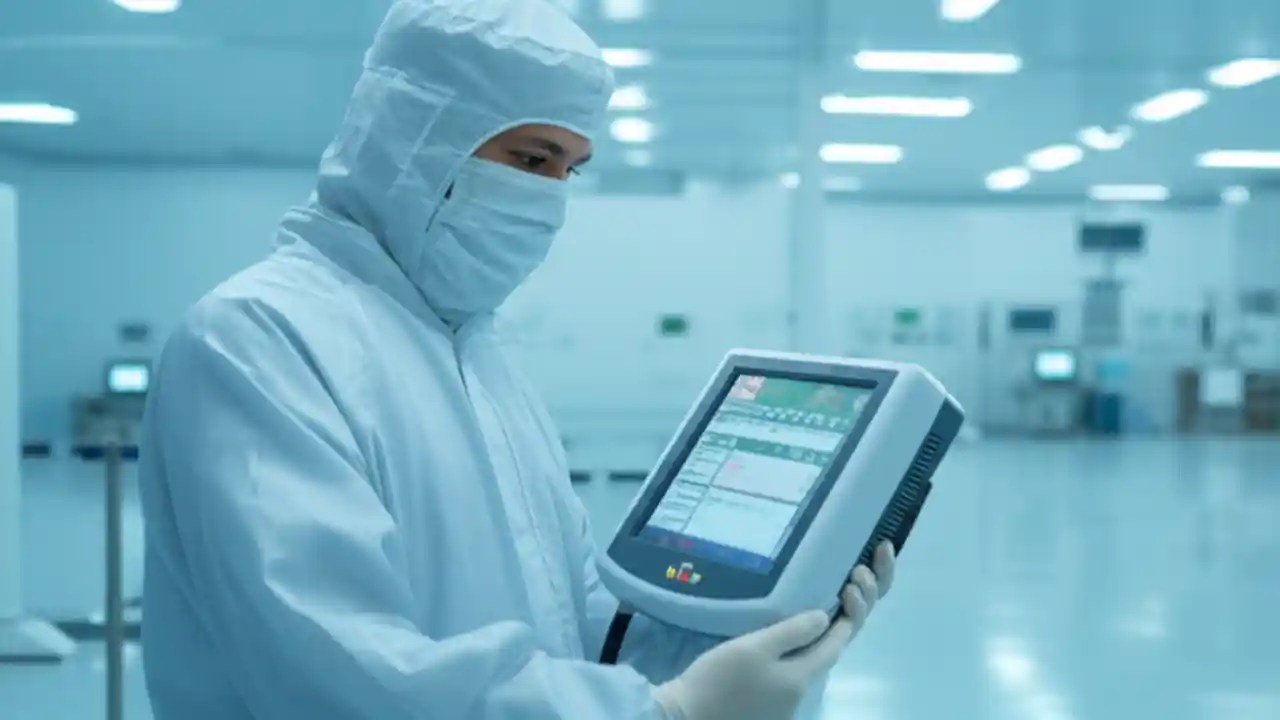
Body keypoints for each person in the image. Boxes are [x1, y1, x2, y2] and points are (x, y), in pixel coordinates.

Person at [138, 1, 896, 718]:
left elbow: (570, 621)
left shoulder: (478, 357)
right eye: (531, 157)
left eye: (571, 168)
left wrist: (760, 632)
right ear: (414, 136)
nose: (551, 197)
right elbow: (335, 668)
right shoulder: (257, 338)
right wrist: (661, 713)